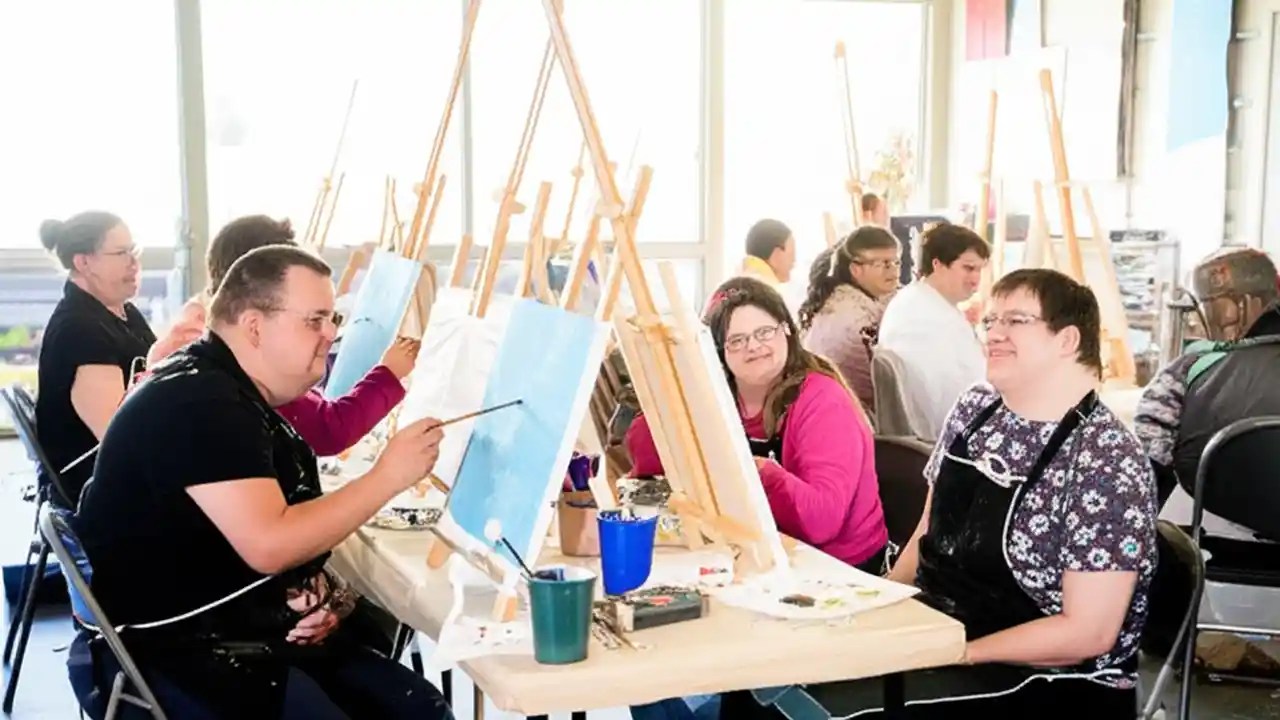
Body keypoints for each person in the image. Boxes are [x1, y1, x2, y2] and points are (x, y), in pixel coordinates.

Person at [722, 268, 1158, 718]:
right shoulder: (977, 409)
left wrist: (955, 652)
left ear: (1067, 340)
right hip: (939, 627)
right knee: (761, 680)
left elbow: (1086, 635)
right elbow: (928, 533)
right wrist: (878, 609)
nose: (994, 333)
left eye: (1016, 321)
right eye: (991, 321)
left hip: (1048, 678)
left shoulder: (1106, 459)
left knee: (816, 711)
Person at [71, 246, 453, 718]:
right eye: (315, 320)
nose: (332, 333)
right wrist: (388, 476)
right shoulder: (200, 404)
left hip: (221, 630)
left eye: (332, 318)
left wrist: (314, 593)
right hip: (181, 657)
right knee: (414, 710)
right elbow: (271, 544)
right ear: (254, 327)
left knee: (409, 696)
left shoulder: (218, 382)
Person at [628, 277, 888, 572]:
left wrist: (753, 470)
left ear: (787, 330)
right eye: (736, 340)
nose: (753, 347)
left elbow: (821, 522)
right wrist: (684, 384)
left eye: (764, 332)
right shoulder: (720, 392)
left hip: (838, 567)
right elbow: (645, 455)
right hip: (757, 550)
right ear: (717, 352)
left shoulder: (823, 401)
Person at [149, 215, 417, 456]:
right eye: (314, 320)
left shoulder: (201, 339)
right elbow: (328, 429)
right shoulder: (236, 368)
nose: (331, 332)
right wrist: (388, 375)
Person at [1134, 247, 1280, 539]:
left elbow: (1147, 469)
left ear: (1238, 307)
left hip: (1224, 544)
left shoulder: (1187, 370)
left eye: (1207, 304)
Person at [34, 212, 156, 505]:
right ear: (83, 263)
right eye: (121, 253)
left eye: (134, 250)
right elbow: (118, 437)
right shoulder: (80, 330)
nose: (134, 263)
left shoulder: (122, 312)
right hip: (101, 490)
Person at [877, 223, 989, 440]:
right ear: (937, 264)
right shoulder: (921, 315)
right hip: (947, 438)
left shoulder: (922, 302)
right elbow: (952, 394)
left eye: (979, 270)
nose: (976, 279)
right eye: (968, 268)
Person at [799, 226, 901, 415]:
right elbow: (881, 391)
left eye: (896, 262)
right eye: (882, 264)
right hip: (848, 414)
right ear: (855, 269)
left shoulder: (840, 300)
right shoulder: (856, 318)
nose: (893, 270)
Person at [739, 218, 797, 288]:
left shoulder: (735, 287)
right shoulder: (763, 291)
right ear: (776, 255)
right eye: (791, 254)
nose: (794, 261)